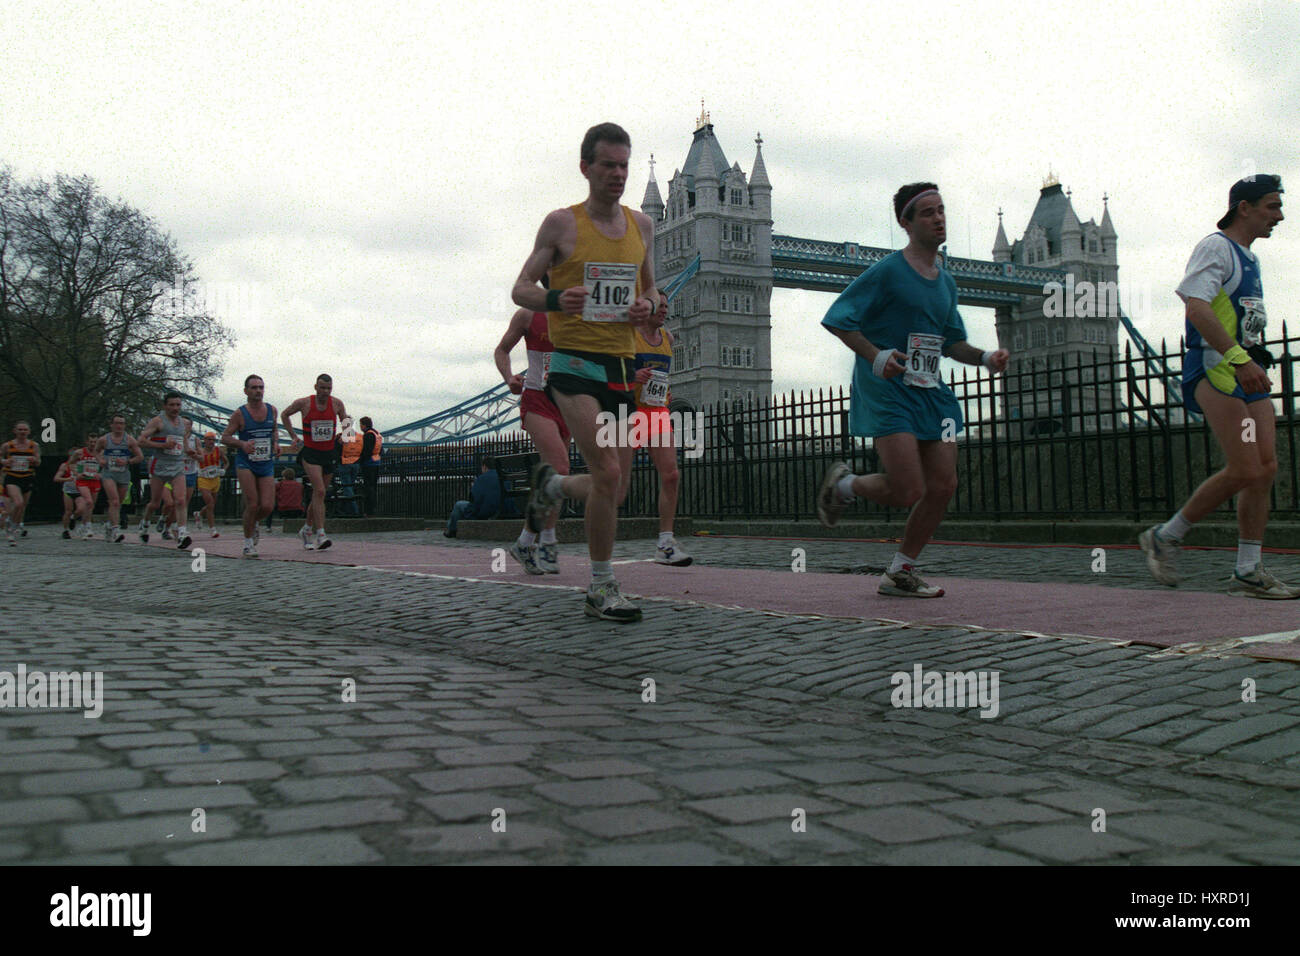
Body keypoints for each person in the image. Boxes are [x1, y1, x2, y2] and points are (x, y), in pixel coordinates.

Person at [817, 182, 1010, 598]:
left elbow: (952, 341)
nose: (939, 218)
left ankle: (900, 571)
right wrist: (876, 356)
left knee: (943, 486)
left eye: (941, 210)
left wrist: (985, 357)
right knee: (908, 490)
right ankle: (844, 486)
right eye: (927, 213)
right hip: (888, 390)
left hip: (931, 393)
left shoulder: (946, 282)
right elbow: (838, 318)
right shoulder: (887, 271)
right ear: (905, 222)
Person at [512, 122, 657, 621]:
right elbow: (521, 288)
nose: (617, 174)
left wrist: (647, 306)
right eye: (608, 165)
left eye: (624, 165)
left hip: (622, 365)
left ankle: (551, 487)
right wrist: (556, 298)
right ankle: (601, 585)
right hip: (573, 365)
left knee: (614, 490)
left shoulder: (643, 226)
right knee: (607, 470)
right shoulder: (561, 224)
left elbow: (654, 290)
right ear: (586, 168)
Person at [1140, 174, 1296, 598]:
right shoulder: (1216, 247)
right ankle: (1165, 535)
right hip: (1218, 370)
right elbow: (1196, 307)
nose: (1279, 216)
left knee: (1264, 469)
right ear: (1243, 208)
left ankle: (1248, 569)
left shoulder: (1251, 258)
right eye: (1271, 206)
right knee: (1245, 467)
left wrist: (1250, 356)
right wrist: (1237, 357)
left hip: (1248, 373)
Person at [494, 292, 571, 574]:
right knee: (560, 467)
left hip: (568, 401)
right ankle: (548, 541)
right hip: (537, 398)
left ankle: (525, 541)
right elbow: (501, 350)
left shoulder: (582, 314)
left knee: (556, 476)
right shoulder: (528, 314)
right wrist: (509, 378)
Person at [618, 290, 691, 566]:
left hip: (656, 412)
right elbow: (607, 371)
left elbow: (664, 377)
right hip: (627, 412)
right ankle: (598, 545)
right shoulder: (628, 336)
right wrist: (632, 375)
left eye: (666, 307)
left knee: (671, 474)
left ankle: (665, 542)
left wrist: (664, 393)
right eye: (660, 306)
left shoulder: (668, 339)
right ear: (646, 307)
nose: (665, 311)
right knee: (616, 488)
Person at [282, 374, 346, 551]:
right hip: (310, 453)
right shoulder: (304, 403)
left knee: (320, 495)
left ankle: (306, 529)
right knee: (319, 490)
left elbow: (346, 420)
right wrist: (293, 436)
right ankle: (321, 534)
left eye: (328, 388)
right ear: (315, 387)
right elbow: (285, 414)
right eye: (322, 388)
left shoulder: (337, 404)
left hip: (329, 453)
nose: (325, 392)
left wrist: (346, 436)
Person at [222, 374, 279, 558]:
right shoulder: (240, 414)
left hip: (265, 462)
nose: (258, 391)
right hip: (246, 462)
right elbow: (225, 437)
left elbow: (274, 430)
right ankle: (247, 544)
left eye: (261, 387)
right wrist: (242, 445)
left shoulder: (272, 410)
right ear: (246, 391)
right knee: (253, 503)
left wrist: (276, 443)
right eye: (254, 388)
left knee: (268, 506)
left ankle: (252, 523)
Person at [137, 392, 197, 549]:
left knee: (180, 499)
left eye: (178, 405)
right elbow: (141, 440)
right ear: (165, 406)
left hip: (177, 464)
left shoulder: (183, 423)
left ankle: (182, 533)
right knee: (155, 503)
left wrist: (188, 450)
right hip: (160, 465)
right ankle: (144, 523)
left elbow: (182, 439)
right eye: (172, 405)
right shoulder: (158, 422)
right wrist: (161, 445)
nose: (175, 408)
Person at [94, 415, 144, 543]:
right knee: (114, 501)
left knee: (118, 503)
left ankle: (109, 525)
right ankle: (116, 531)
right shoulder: (104, 440)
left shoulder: (129, 440)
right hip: (108, 473)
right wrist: (100, 460)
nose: (119, 426)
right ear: (111, 425)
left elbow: (140, 457)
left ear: (124, 425)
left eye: (121, 423)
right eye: (116, 423)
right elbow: (96, 451)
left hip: (123, 474)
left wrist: (127, 461)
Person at [1, 420, 41, 544]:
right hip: (12, 477)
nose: (22, 432)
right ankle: (10, 526)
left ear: (28, 432)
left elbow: (39, 462)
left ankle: (13, 526)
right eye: (20, 429)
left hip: (27, 477)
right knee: (18, 503)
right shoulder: (7, 445)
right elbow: (1, 457)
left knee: (22, 507)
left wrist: (33, 459)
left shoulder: (34, 445)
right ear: (15, 431)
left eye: (25, 430)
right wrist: (4, 462)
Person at [444, 455, 504, 537]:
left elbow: (475, 499)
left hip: (486, 511)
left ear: (484, 467)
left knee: (459, 504)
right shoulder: (502, 476)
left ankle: (452, 530)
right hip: (502, 509)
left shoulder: (481, 478)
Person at [191, 432, 227, 537]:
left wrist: (223, 470)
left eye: (213, 440)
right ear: (204, 440)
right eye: (209, 439)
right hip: (203, 479)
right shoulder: (200, 452)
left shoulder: (218, 451)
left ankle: (199, 514)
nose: (211, 442)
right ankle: (213, 529)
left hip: (215, 479)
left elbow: (226, 462)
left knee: (212, 504)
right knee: (210, 504)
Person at [71, 432, 104, 539]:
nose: (93, 444)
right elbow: (71, 463)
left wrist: (101, 474)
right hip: (83, 481)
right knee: (88, 501)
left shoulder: (101, 453)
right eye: (91, 442)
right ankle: (88, 526)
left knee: (91, 505)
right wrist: (77, 474)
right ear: (87, 442)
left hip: (94, 481)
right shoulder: (79, 452)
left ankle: (82, 525)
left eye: (95, 442)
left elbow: (106, 465)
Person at [53, 454, 81, 539]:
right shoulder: (65, 466)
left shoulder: (82, 465)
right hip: (68, 491)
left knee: (81, 509)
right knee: (68, 511)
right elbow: (56, 478)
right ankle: (65, 530)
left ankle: (73, 518)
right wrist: (67, 479)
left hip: (80, 490)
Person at [359, 417, 382, 517]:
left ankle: (369, 511)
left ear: (364, 425)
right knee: (373, 487)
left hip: (368, 464)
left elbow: (366, 451)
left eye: (361, 424)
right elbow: (381, 449)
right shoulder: (377, 434)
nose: (360, 427)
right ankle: (373, 510)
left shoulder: (368, 435)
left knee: (368, 488)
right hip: (376, 462)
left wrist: (360, 460)